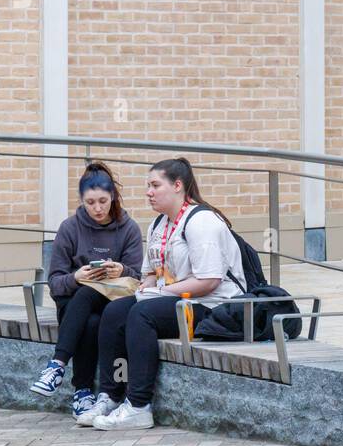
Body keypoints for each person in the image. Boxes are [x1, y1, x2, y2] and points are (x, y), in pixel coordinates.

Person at [79, 157, 245, 430]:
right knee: (115, 311)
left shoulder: (201, 221)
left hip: (212, 308)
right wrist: (147, 285)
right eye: (148, 186)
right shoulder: (159, 224)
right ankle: (111, 395)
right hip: (175, 300)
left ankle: (139, 406)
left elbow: (209, 281)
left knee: (142, 314)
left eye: (155, 185)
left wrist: (159, 292)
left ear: (178, 186)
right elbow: (151, 273)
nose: (149, 192)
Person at [30, 161, 144, 419]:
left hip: (114, 302)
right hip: (74, 307)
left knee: (90, 295)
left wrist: (120, 271)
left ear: (112, 196)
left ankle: (58, 366)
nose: (97, 208)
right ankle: (83, 392)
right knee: (89, 317)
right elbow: (55, 283)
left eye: (103, 201)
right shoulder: (70, 228)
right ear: (82, 199)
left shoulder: (128, 228)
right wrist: (76, 277)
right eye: (90, 202)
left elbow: (139, 277)